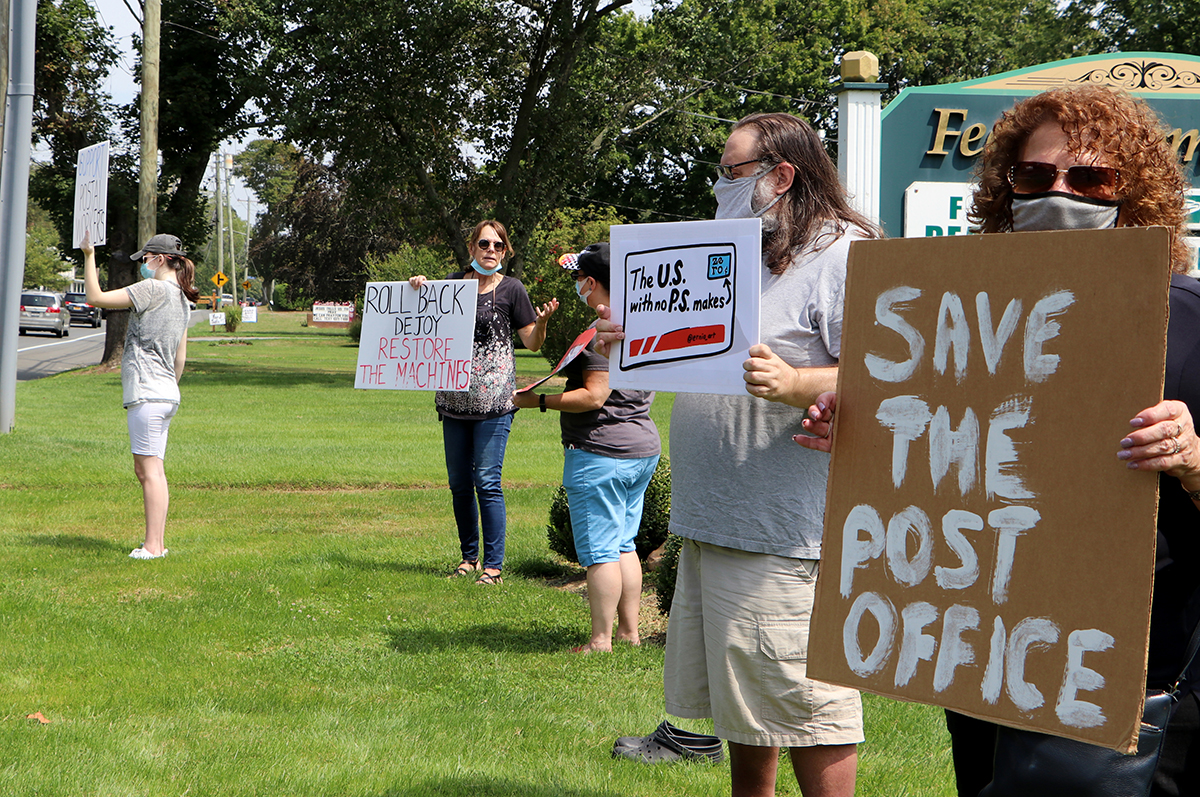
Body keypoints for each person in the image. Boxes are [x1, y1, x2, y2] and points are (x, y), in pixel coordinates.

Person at [798, 85, 1200, 796]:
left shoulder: (1188, 320)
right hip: (990, 661)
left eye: (1090, 178)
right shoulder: (963, 318)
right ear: (1006, 191)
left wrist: (1192, 460)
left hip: (1124, 683)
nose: (1060, 191)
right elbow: (953, 462)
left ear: (1130, 191)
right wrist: (865, 439)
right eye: (1035, 175)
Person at [599, 112, 882, 797]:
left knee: (809, 707)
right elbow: (685, 355)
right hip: (715, 522)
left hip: (787, 535)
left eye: (731, 171)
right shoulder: (736, 255)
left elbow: (888, 373)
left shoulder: (847, 254)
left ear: (780, 176)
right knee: (744, 711)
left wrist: (793, 384)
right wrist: (630, 335)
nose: (719, 184)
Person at [512, 243, 660, 653]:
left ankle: (600, 640)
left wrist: (534, 400)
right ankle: (629, 634)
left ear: (592, 282)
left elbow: (594, 396)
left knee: (600, 552)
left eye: (578, 279)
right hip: (640, 447)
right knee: (625, 544)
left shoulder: (602, 332)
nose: (576, 285)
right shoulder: (644, 323)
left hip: (600, 451)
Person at [409, 220, 558, 586]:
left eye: (498, 246)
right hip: (453, 403)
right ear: (472, 248)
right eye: (484, 244)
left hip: (495, 405)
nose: (491, 250)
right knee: (459, 483)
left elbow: (533, 344)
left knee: (487, 481)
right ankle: (468, 557)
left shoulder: (513, 289)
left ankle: (494, 566)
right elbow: (419, 320)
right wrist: (416, 288)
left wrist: (541, 324)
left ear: (505, 252)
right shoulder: (451, 286)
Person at [82, 232, 200, 559]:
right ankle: (157, 543)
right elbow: (180, 358)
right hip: (166, 394)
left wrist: (90, 254)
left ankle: (152, 546)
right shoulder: (182, 298)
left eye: (145, 259)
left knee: (149, 472)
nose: (143, 265)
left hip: (147, 394)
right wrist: (168, 387)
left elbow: (95, 297)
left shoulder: (151, 289)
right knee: (151, 470)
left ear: (160, 259)